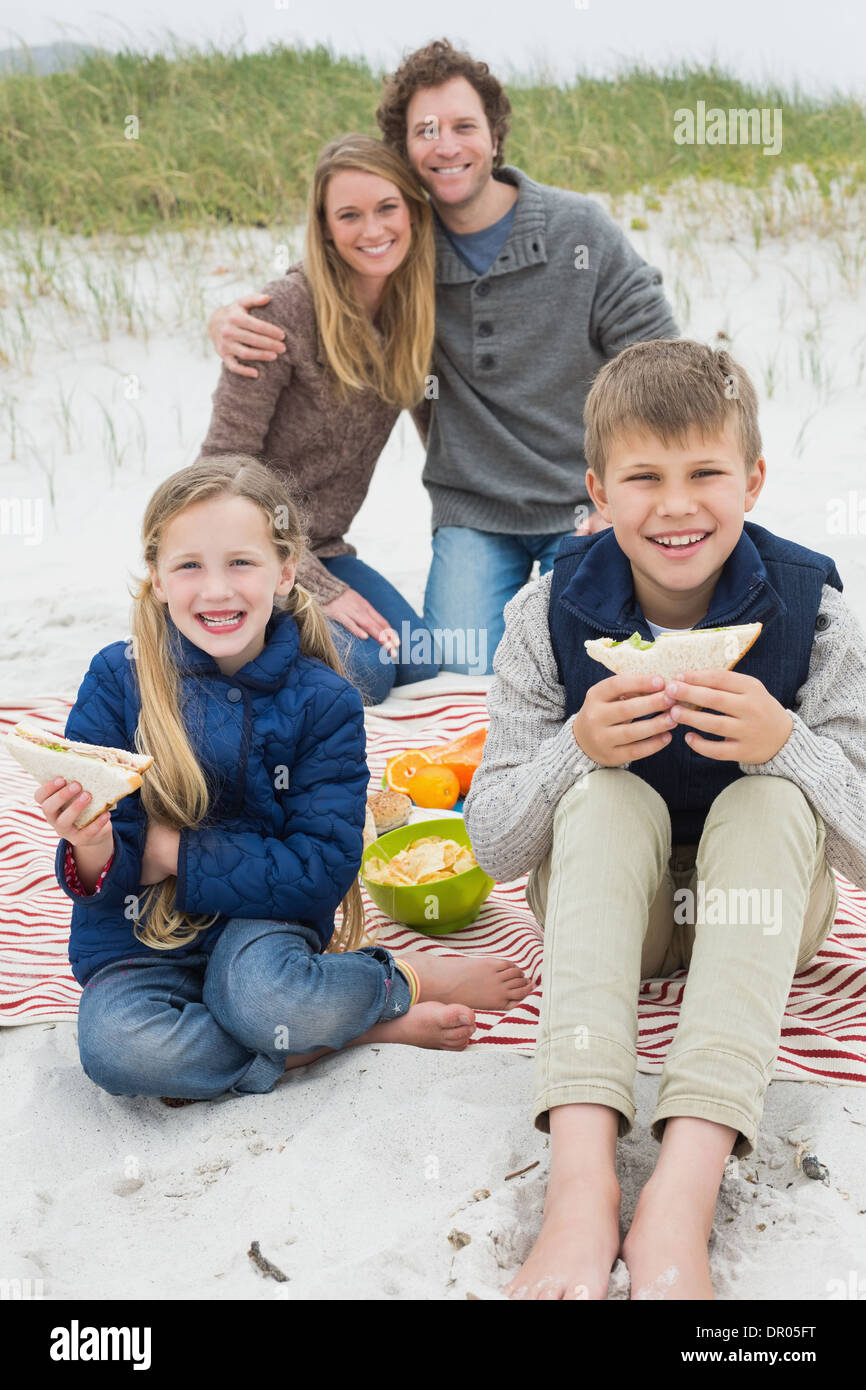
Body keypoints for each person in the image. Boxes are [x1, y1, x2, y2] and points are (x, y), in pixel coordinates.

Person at [463, 338, 866, 1299]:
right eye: (644, 478)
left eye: (705, 474)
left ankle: (684, 1185)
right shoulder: (545, 610)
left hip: (766, 916)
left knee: (770, 799)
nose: (677, 506)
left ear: (754, 480)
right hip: (616, 915)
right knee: (604, 796)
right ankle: (581, 1183)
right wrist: (575, 749)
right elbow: (492, 844)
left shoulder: (815, 618)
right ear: (598, 494)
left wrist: (786, 742)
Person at [33, 455, 532, 1102]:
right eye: (189, 566)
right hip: (139, 942)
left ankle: (390, 980)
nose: (216, 591)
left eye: (241, 562)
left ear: (287, 570)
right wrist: (93, 844)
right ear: (156, 577)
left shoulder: (323, 700)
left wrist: (169, 849)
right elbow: (102, 874)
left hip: (263, 933)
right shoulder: (117, 678)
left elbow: (321, 870)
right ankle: (330, 1039)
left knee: (265, 996)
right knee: (118, 1050)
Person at [208, 38, 680, 675]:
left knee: (603, 667)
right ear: (404, 151)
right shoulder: (407, 250)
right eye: (426, 130)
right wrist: (229, 316)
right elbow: (333, 266)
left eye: (464, 125)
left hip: (586, 506)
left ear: (494, 135)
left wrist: (625, 497)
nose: (448, 144)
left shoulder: (577, 232)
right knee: (454, 676)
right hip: (473, 515)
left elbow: (660, 367)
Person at [200, 135, 442, 706]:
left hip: (324, 545)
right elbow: (218, 468)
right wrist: (319, 590)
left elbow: (444, 437)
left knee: (420, 658)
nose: (373, 230)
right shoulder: (281, 313)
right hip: (249, 550)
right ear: (325, 227)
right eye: (349, 215)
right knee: (366, 673)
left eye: (387, 208)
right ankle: (202, 650)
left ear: (411, 210)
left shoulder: (410, 313)